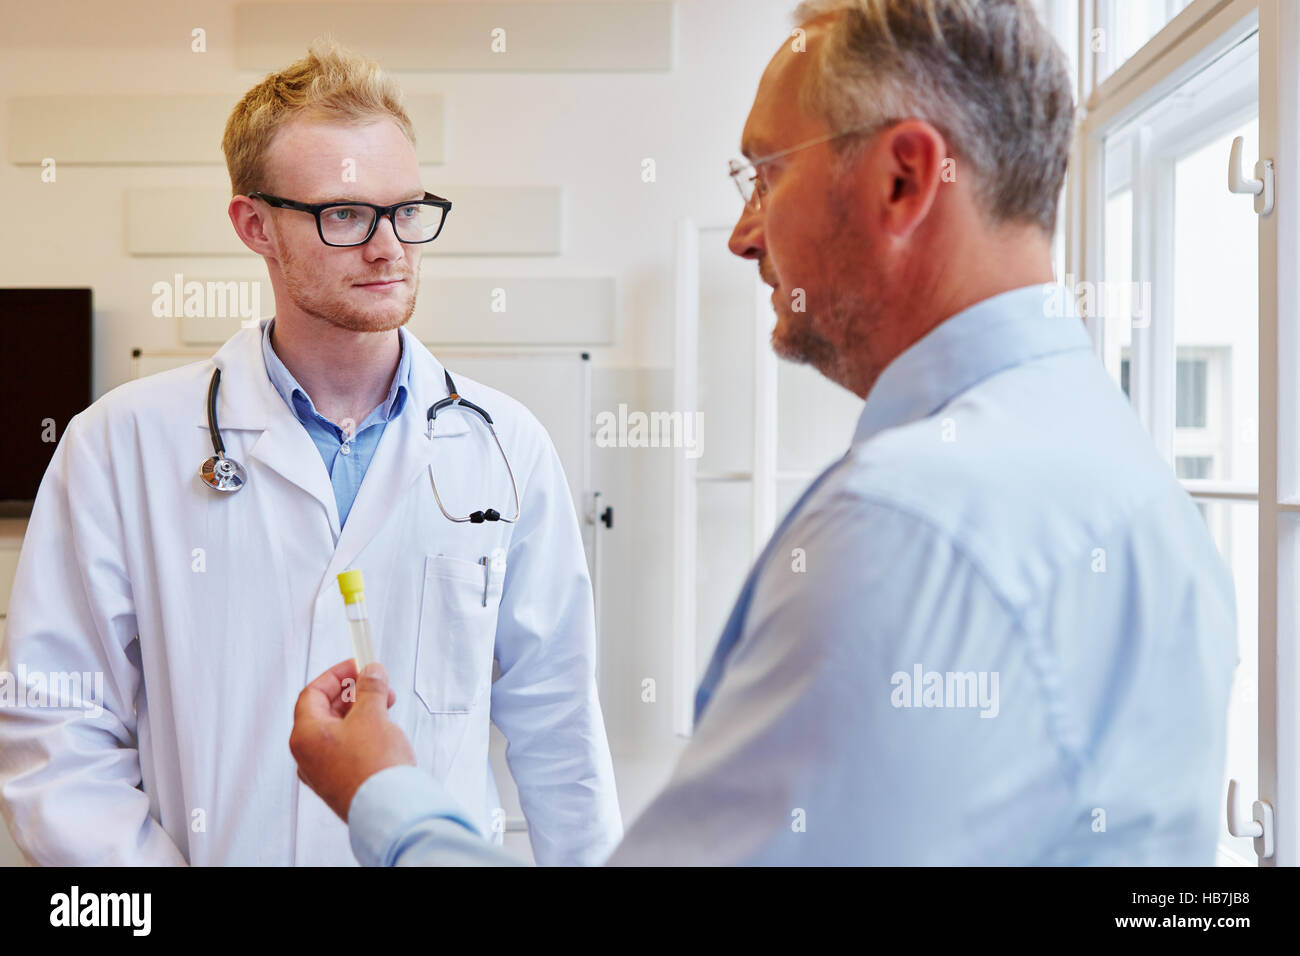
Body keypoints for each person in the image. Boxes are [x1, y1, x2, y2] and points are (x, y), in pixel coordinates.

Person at [290, 0, 1237, 866]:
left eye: (765, 174)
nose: (744, 234)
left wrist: (381, 794)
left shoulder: (911, 524)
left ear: (905, 178)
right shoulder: (1134, 478)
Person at [0, 41, 621, 866]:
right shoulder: (119, 446)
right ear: (255, 225)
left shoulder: (507, 449)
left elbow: (562, 732)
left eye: (406, 210)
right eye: (346, 214)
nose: (390, 247)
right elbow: (57, 730)